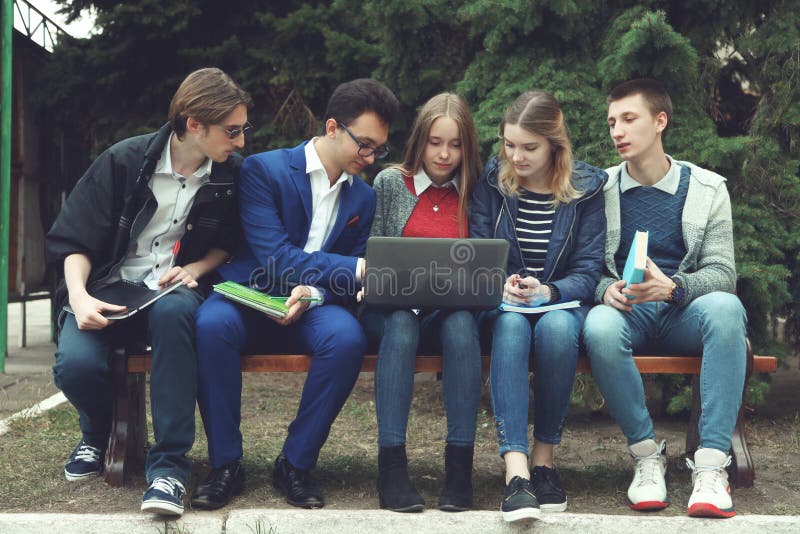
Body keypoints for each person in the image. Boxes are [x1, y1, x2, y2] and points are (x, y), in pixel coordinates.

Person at [45, 68, 252, 517]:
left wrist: (195, 267)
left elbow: (229, 243)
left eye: (243, 130)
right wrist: (78, 297)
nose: (239, 142)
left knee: (176, 313)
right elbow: (75, 241)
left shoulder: (231, 175)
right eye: (231, 131)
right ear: (194, 123)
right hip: (104, 287)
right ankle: (98, 433)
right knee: (75, 366)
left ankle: (170, 470)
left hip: (169, 292)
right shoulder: (124, 161)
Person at [190, 79, 400, 510]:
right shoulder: (263, 170)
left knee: (346, 339)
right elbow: (275, 258)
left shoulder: (363, 195)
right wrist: (357, 269)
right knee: (210, 325)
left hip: (314, 305)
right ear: (332, 127)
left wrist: (315, 292)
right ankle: (225, 464)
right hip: (251, 295)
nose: (371, 157)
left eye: (379, 149)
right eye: (364, 144)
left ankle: (295, 463)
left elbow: (349, 285)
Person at [582, 78, 747, 518]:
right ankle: (645, 456)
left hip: (683, 314)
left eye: (629, 119)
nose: (617, 131)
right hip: (628, 314)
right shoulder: (598, 189)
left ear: (660, 121)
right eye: (612, 121)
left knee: (728, 309)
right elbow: (585, 268)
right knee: (597, 323)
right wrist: (604, 289)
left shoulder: (709, 188)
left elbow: (723, 274)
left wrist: (675, 288)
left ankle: (711, 468)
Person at [470, 91, 607, 522]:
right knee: (510, 329)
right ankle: (517, 474)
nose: (517, 156)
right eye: (509, 145)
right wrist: (501, 286)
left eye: (529, 147)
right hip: (504, 305)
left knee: (558, 329)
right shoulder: (492, 181)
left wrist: (548, 292)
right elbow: (475, 252)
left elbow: (588, 270)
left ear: (554, 144)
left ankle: (544, 460)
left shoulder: (586, 189)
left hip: (560, 304)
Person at [360, 93, 482, 513]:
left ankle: (459, 470)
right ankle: (391, 468)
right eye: (435, 142)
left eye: (454, 144)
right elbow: (372, 254)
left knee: (462, 323)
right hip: (392, 312)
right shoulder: (392, 184)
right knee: (400, 323)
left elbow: (484, 263)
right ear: (420, 141)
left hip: (448, 314)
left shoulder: (475, 190)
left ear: (467, 146)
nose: (444, 154)